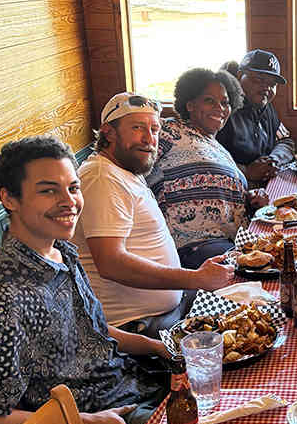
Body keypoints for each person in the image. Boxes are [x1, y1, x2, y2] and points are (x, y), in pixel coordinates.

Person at [0, 136, 172, 424]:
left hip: (131, 385)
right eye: (48, 191)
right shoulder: (4, 295)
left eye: (73, 188)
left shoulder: (63, 251)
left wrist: (158, 347)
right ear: (9, 198)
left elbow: (94, 331)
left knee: (224, 389)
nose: (68, 201)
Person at [73, 93, 233, 337]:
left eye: (155, 129)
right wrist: (194, 278)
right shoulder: (101, 177)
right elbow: (111, 264)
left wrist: (197, 279)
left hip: (167, 311)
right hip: (136, 328)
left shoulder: (123, 171)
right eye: (137, 128)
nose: (149, 139)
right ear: (108, 132)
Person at [146, 68, 268, 268]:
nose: (220, 108)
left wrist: (250, 198)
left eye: (225, 102)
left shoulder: (218, 148)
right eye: (209, 101)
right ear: (190, 105)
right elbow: (131, 161)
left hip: (233, 242)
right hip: (192, 247)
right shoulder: (169, 131)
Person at [216, 50, 295, 186]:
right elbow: (207, 158)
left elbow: (285, 141)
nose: (266, 88)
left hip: (265, 185)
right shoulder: (222, 110)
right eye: (259, 80)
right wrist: (245, 171)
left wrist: (274, 160)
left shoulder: (266, 107)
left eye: (272, 84)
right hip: (234, 185)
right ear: (239, 76)